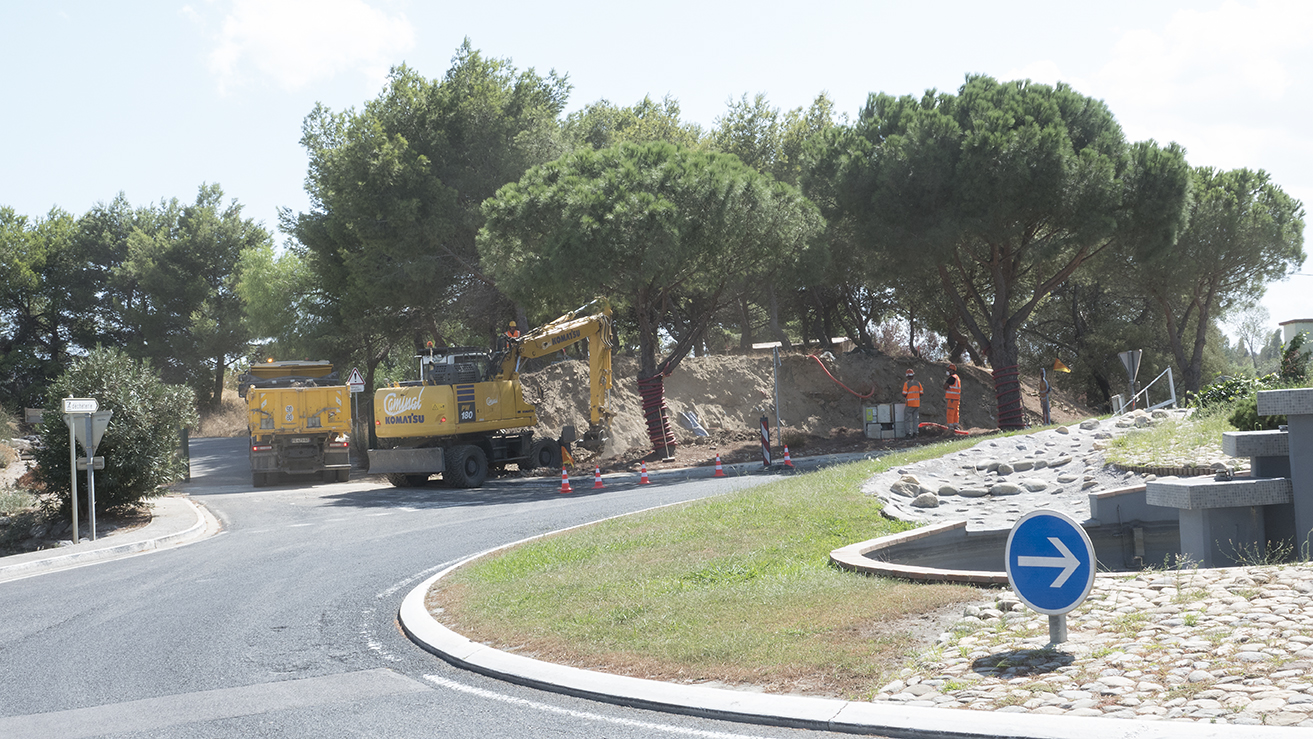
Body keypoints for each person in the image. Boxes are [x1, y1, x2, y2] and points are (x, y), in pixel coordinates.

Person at [901, 368, 923, 438]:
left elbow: (904, 394)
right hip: (917, 404)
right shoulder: (918, 383)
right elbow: (921, 393)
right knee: (915, 419)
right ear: (913, 375)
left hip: (909, 404)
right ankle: (915, 433)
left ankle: (908, 434)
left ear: (907, 376)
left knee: (907, 419)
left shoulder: (907, 383)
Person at [944, 363, 962, 429]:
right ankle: (956, 426)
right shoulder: (957, 378)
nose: (947, 371)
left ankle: (950, 426)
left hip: (952, 398)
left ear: (952, 370)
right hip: (957, 399)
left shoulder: (952, 378)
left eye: (949, 370)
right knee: (955, 413)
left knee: (950, 412)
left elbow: (945, 386)